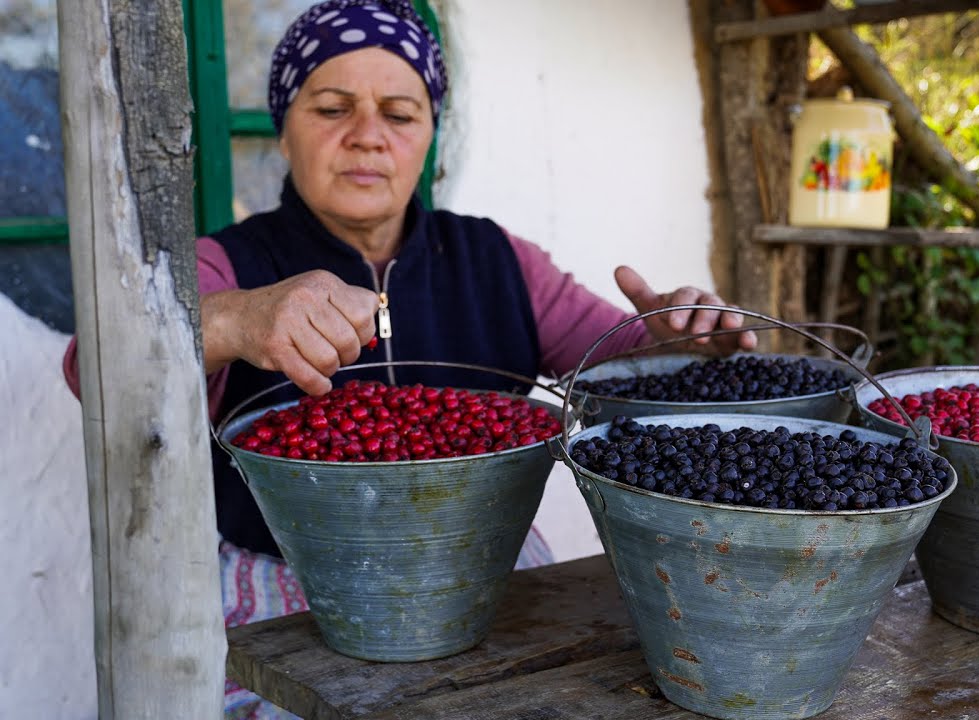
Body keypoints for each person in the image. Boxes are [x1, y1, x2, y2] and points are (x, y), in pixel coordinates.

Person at [63, 0, 754, 716]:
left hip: (496, 576)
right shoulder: (227, 263)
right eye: (331, 108)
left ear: (430, 135)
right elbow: (99, 366)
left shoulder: (498, 262)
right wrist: (239, 318)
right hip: (292, 595)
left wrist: (682, 343)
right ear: (284, 131)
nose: (368, 137)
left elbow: (623, 365)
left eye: (399, 113)